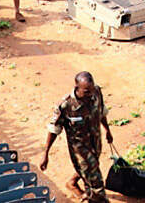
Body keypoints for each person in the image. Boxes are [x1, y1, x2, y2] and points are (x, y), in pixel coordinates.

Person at [41, 71, 113, 203]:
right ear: (76, 87)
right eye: (86, 91)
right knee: (96, 183)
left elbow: (101, 112)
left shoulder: (96, 92)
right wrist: (46, 153)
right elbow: (54, 129)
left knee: (92, 166)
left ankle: (73, 182)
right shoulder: (66, 105)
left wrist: (108, 131)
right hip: (79, 148)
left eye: (91, 90)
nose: (90, 94)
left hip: (95, 141)